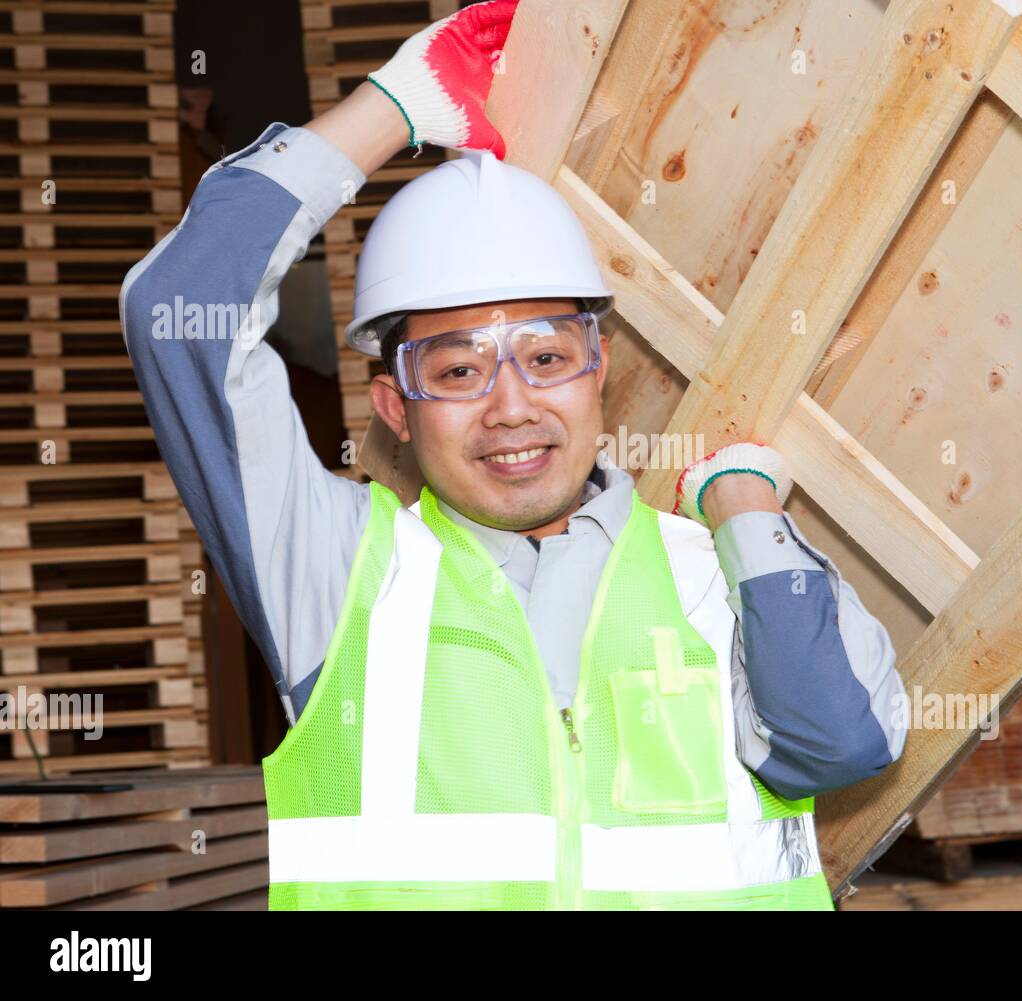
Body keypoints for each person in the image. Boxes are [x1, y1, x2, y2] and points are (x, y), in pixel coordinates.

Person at [120, 0, 906, 910]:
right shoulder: (339, 578)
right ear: (395, 409)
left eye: (546, 357)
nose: (510, 407)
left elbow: (839, 741)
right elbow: (180, 308)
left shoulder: (716, 573)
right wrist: (396, 106)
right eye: (455, 370)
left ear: (596, 372)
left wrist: (745, 510)